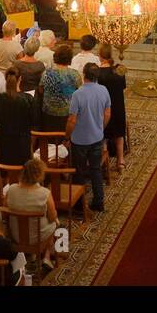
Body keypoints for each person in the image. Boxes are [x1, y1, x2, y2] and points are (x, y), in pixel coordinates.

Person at [67, 63, 111, 213]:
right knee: (95, 169)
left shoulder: (78, 94)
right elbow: (107, 114)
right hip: (97, 137)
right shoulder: (104, 90)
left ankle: (79, 204)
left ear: (84, 75)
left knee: (78, 171)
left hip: (79, 139)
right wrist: (100, 128)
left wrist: (68, 136)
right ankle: (99, 202)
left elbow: (72, 120)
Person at [4, 158, 60, 271]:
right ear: (39, 175)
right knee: (56, 223)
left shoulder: (11, 189)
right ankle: (47, 256)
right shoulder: (45, 193)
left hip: (16, 235)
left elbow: (5, 210)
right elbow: (52, 217)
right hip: (37, 237)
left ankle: (33, 255)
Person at [0, 68, 36, 165]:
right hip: (23, 145)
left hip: (4, 144)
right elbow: (34, 122)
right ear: (20, 79)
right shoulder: (28, 99)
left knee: (6, 170)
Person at [96, 44, 128, 171]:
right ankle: (120, 161)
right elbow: (124, 87)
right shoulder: (119, 70)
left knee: (103, 135)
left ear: (99, 56)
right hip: (118, 106)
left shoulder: (96, 72)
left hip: (102, 109)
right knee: (119, 134)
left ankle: (105, 161)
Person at [41, 45, 82, 135]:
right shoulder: (75, 75)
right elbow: (80, 94)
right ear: (69, 58)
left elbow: (41, 90)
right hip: (67, 115)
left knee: (50, 140)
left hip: (48, 113)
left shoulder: (46, 73)